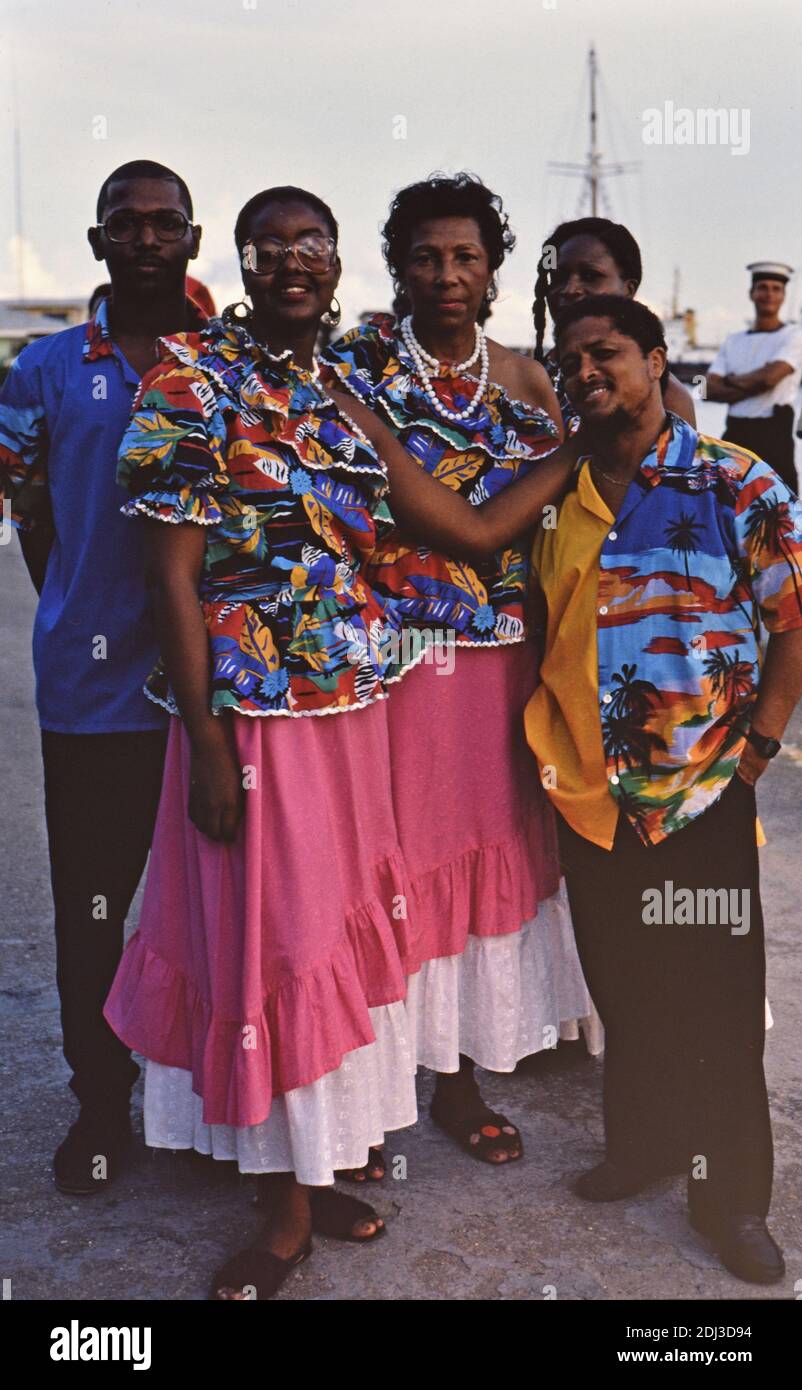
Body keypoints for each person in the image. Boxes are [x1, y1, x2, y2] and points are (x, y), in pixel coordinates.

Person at [102, 185, 580, 1300]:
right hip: (257, 718)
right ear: (242, 263)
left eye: (310, 245)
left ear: (331, 264)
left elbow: (439, 527)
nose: (291, 264)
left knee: (334, 938)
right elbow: (168, 573)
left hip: (356, 701)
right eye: (269, 250)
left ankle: (311, 1172)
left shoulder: (334, 387)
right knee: (276, 944)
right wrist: (211, 746)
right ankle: (278, 1217)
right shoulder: (195, 376)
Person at [524, 292, 802, 1284]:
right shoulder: (552, 495)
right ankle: (641, 1147)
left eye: (606, 355)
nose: (585, 374)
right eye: (570, 361)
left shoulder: (735, 481)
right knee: (629, 994)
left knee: (717, 1008)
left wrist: (760, 744)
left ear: (654, 361)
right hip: (587, 801)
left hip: (698, 796)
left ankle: (730, 1201)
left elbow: (794, 614)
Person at [324, 172, 596, 1178]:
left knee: (475, 860)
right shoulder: (352, 369)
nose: (446, 273)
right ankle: (363, 1087)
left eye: (466, 256)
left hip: (499, 665)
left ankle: (454, 1078)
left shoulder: (529, 379)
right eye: (427, 256)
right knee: (381, 865)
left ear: (493, 271)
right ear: (396, 267)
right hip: (389, 663)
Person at [0, 159, 205, 1196]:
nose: (145, 238)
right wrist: (83, 605)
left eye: (165, 222)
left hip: (225, 691)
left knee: (226, 903)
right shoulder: (41, 370)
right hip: (92, 694)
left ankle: (224, 1109)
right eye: (125, 223)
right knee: (92, 906)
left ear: (193, 240)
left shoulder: (233, 361)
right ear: (96, 243)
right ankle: (98, 1100)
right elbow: (31, 515)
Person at [532, 216, 695, 431]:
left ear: (629, 289)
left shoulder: (665, 395)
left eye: (590, 276)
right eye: (559, 277)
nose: (570, 289)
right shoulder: (529, 375)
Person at [706, 261, 801, 494]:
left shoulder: (794, 335)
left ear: (783, 295)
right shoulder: (732, 340)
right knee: (724, 507)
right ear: (752, 293)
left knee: (779, 512)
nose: (769, 294)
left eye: (776, 288)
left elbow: (770, 379)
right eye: (762, 287)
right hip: (734, 435)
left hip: (775, 434)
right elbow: (704, 388)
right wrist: (757, 381)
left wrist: (728, 380)